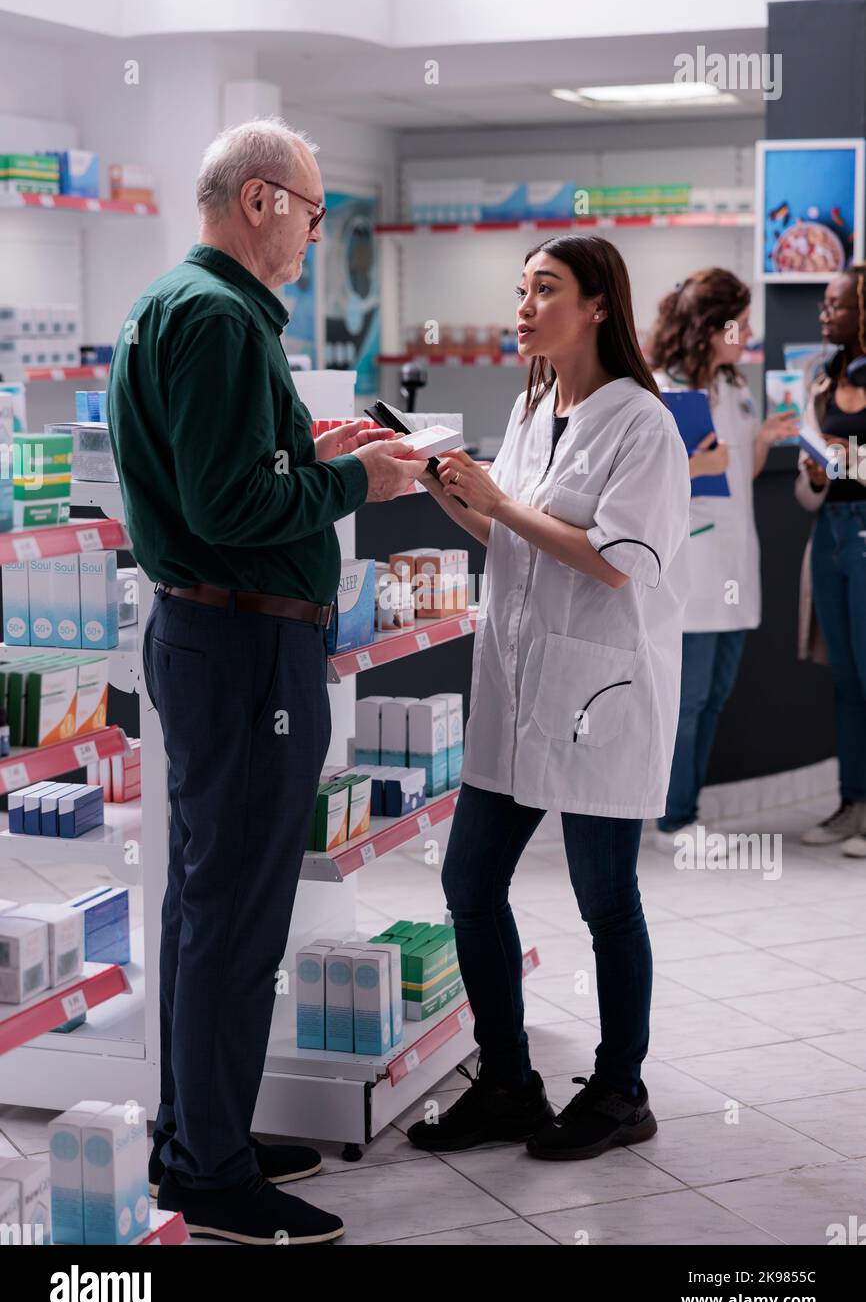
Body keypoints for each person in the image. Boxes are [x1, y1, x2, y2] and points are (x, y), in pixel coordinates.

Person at [108, 119, 425, 1243]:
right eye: (309, 207)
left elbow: (240, 470)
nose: (311, 227)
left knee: (206, 903)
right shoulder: (217, 318)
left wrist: (317, 448)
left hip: (219, 641)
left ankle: (200, 1129)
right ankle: (209, 1168)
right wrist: (361, 479)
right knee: (234, 914)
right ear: (256, 199)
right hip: (240, 646)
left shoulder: (181, 306)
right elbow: (230, 508)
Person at [403, 234, 691, 1160]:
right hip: (518, 684)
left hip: (598, 689)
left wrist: (499, 499)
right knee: (470, 883)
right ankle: (511, 1083)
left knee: (605, 898)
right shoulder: (535, 407)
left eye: (546, 290)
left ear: (599, 304)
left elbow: (612, 563)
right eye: (520, 291)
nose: (524, 308)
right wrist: (450, 490)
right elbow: (515, 541)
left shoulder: (640, 423)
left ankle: (619, 1092)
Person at [646, 269, 798, 848]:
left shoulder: (734, 386)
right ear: (711, 327)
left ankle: (688, 811)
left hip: (735, 564)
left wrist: (760, 443)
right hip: (691, 567)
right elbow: (643, 484)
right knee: (687, 701)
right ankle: (673, 820)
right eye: (742, 320)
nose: (750, 330)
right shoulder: (660, 391)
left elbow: (737, 476)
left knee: (715, 695)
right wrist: (694, 468)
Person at [796, 264, 866, 856]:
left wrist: (854, 460)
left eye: (836, 305)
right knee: (845, 680)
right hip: (832, 534)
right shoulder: (821, 377)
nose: (825, 315)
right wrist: (819, 472)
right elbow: (807, 489)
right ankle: (852, 806)